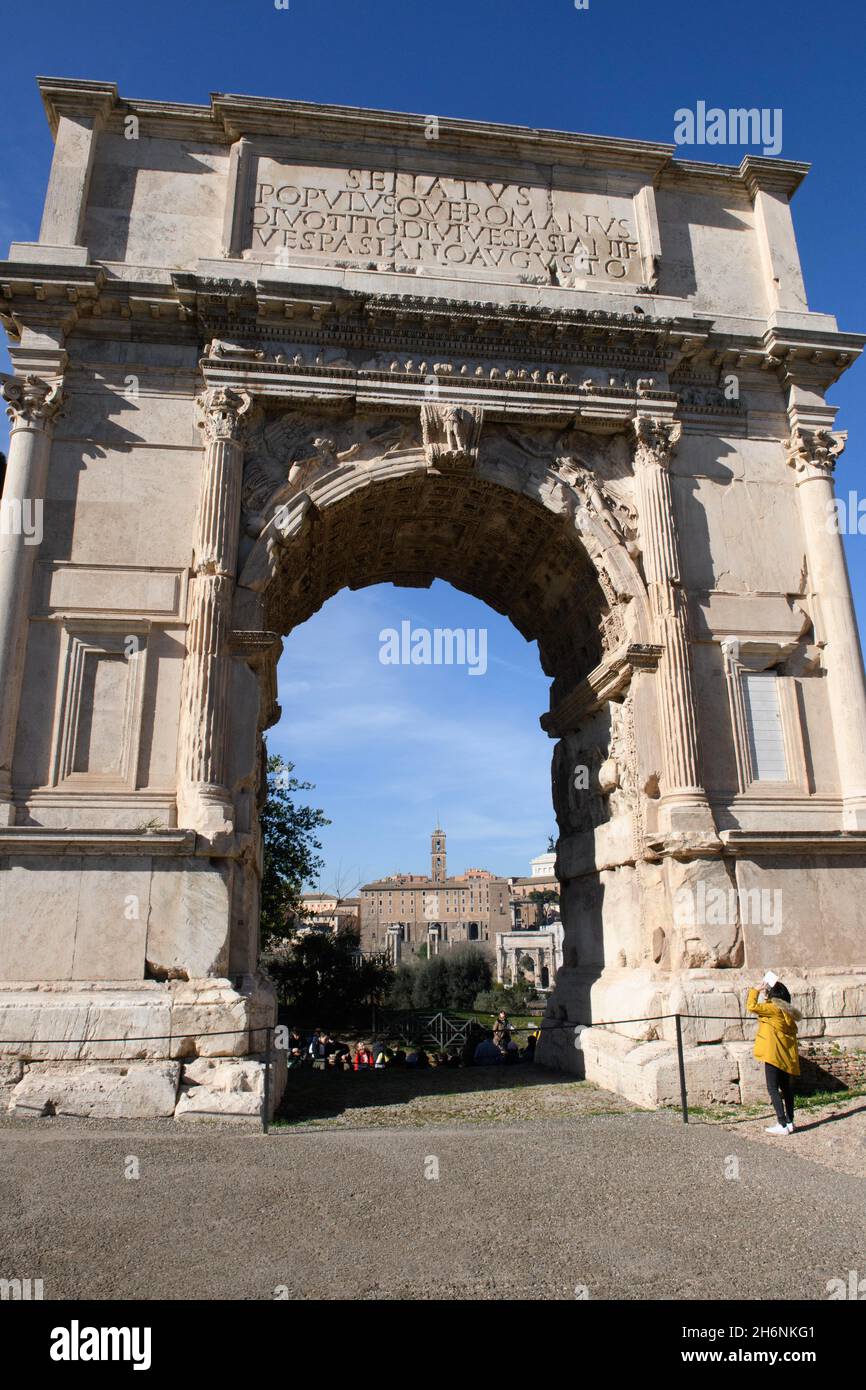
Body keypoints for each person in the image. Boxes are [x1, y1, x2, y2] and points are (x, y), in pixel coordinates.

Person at [746, 977, 801, 1135]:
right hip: (785, 1056)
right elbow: (767, 1017)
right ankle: (790, 1122)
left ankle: (782, 1124)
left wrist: (755, 990)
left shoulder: (773, 1009)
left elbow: (751, 1006)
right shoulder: (786, 1012)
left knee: (772, 1089)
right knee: (786, 1089)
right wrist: (767, 998)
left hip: (773, 1054)